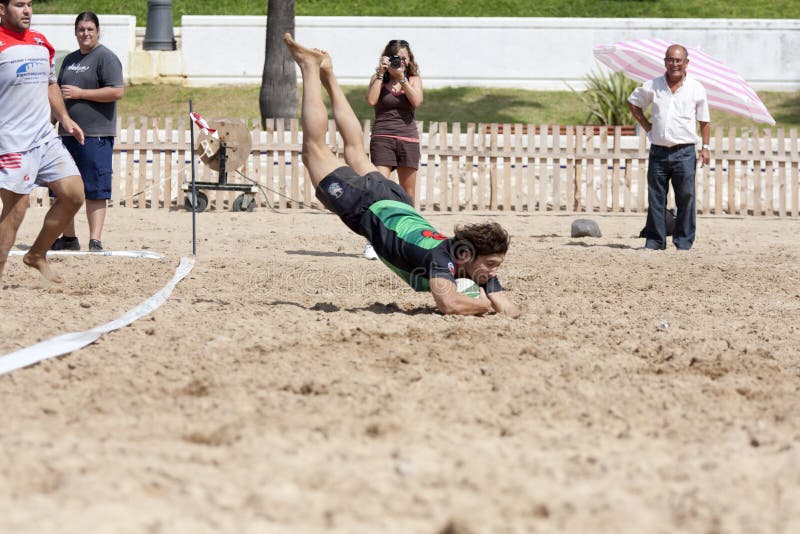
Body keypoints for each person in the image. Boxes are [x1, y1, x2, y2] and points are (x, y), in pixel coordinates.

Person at [283, 34, 518, 317]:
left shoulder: (472, 261)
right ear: (468, 254)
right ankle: (310, 67)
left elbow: (509, 308)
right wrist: (484, 305)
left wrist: (491, 295)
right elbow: (449, 304)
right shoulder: (442, 258)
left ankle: (329, 72)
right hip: (368, 206)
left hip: (397, 203)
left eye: (496, 266)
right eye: (491, 265)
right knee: (314, 151)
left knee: (356, 152)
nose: (492, 273)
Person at [0, 0, 85, 283]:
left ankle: (36, 254)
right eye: (19, 4)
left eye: (30, 4)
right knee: (16, 211)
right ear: (1, 9)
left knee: (74, 193)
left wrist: (65, 118)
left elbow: (50, 84)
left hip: (44, 136)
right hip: (11, 142)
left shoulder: (40, 42)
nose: (27, 10)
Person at [51, 12, 124, 252]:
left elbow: (116, 92)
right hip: (66, 135)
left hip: (96, 135)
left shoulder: (106, 58)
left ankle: (95, 240)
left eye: (90, 29)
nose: (86, 34)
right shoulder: (69, 60)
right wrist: (52, 122)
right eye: (81, 29)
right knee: (63, 188)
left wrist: (82, 94)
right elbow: (59, 96)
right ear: (75, 32)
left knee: (95, 188)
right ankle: (69, 237)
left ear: (98, 31)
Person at [627, 44, 711, 251]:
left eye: (678, 60)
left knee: (686, 198)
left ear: (686, 63)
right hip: (659, 151)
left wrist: (706, 146)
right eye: (670, 60)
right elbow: (633, 103)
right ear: (665, 61)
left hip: (685, 152)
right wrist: (648, 128)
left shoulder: (696, 88)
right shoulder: (652, 85)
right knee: (656, 198)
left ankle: (683, 242)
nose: (674, 64)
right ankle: (655, 241)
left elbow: (704, 120)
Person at [362, 39, 423, 260]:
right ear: (387, 58)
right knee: (378, 190)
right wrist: (381, 74)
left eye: (403, 58)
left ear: (409, 59)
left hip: (407, 140)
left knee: (408, 194)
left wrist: (402, 79)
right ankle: (373, 240)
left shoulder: (414, 79)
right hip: (382, 138)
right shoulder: (378, 78)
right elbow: (370, 101)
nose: (400, 61)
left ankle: (411, 238)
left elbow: (416, 102)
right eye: (395, 57)